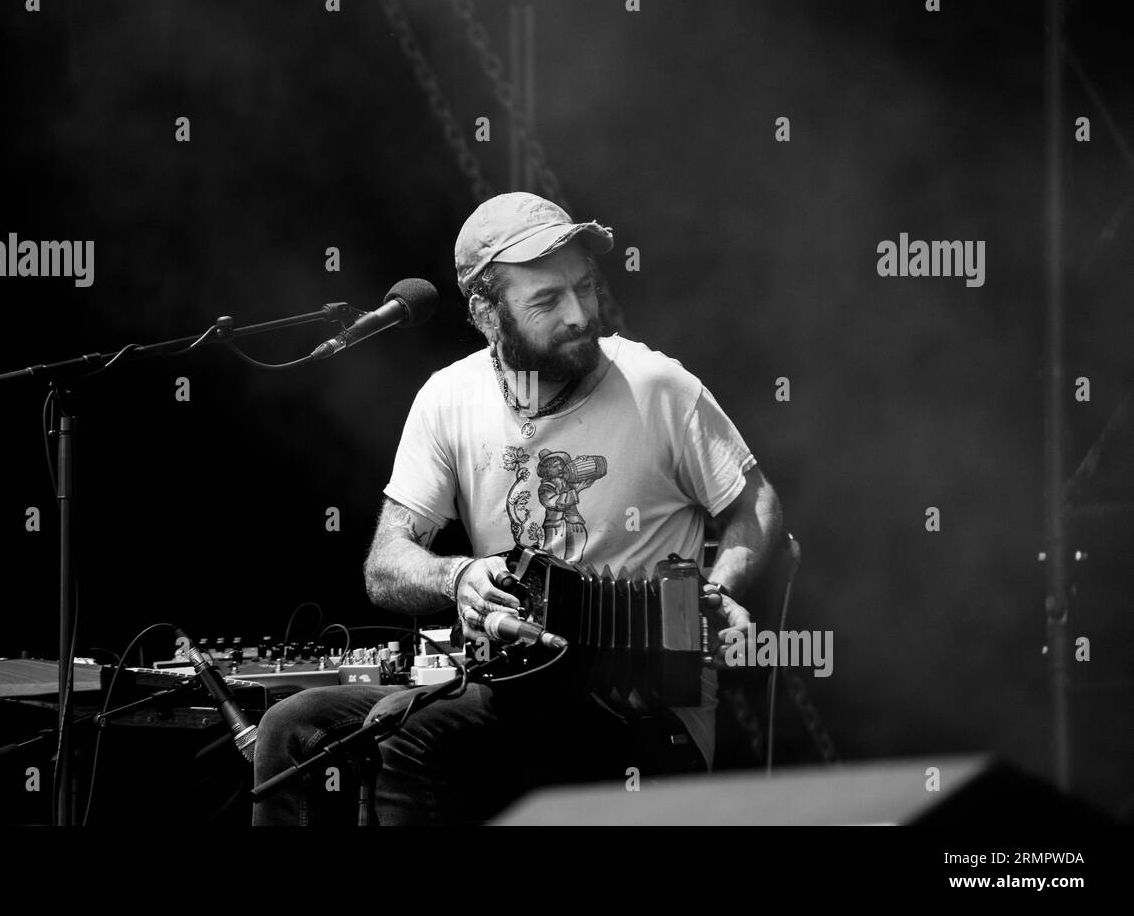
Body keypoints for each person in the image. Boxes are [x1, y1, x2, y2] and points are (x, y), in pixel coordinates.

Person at [252, 192, 783, 825]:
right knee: (294, 731)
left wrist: (712, 597)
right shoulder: (449, 398)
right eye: (547, 301)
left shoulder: (657, 387)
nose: (581, 314)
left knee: (405, 734)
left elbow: (758, 506)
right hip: (508, 688)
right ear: (485, 311)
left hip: (642, 714)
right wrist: (457, 577)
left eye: (584, 289)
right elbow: (385, 564)